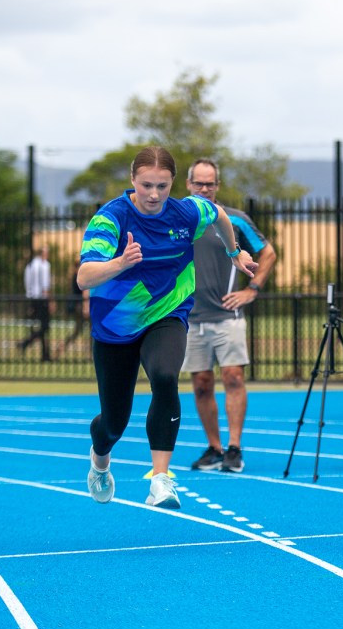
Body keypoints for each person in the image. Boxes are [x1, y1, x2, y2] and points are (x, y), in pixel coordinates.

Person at [77, 146, 257, 508]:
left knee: (164, 375)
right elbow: (84, 277)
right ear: (133, 180)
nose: (154, 195)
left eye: (162, 185)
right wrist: (120, 263)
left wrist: (233, 251)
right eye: (146, 185)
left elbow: (219, 215)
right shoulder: (109, 218)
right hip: (116, 327)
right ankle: (99, 460)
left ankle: (160, 479)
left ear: (174, 183)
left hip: (167, 314)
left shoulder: (187, 210)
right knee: (114, 422)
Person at [182, 158, 278, 473]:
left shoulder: (234, 220)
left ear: (217, 186)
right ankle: (214, 448)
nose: (205, 188)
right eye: (199, 183)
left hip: (227, 315)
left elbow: (268, 252)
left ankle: (234, 448)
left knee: (233, 377)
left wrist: (253, 289)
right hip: (190, 318)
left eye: (210, 183)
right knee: (201, 383)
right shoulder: (179, 219)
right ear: (189, 185)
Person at [18, 245, 53, 362]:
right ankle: (26, 343)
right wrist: (50, 301)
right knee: (45, 326)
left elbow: (27, 283)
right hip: (42, 299)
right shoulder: (45, 265)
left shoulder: (30, 266)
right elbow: (45, 285)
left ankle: (44, 353)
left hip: (33, 298)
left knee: (42, 326)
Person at [56, 259, 89, 359]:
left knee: (78, 331)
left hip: (78, 306)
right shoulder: (80, 277)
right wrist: (86, 307)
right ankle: (63, 346)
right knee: (83, 330)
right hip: (81, 306)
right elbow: (84, 291)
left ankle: (62, 346)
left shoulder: (75, 277)